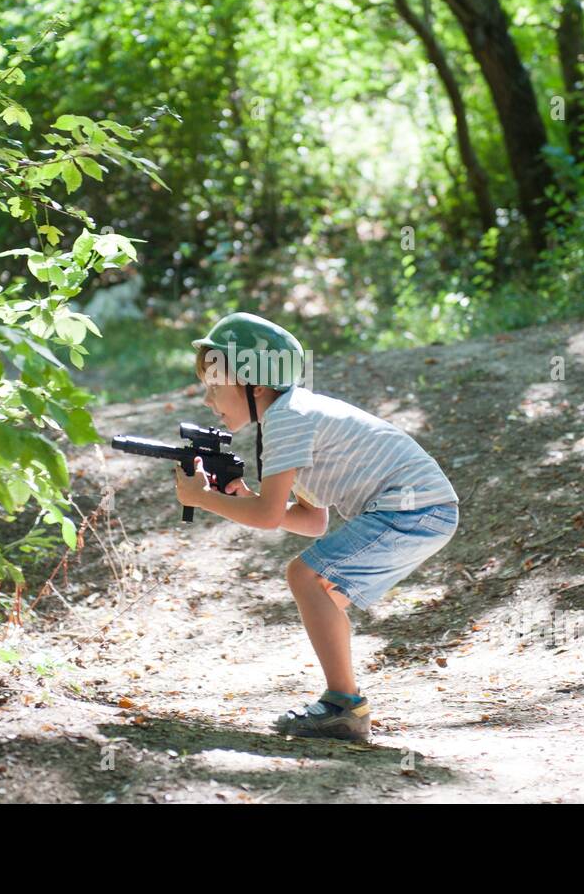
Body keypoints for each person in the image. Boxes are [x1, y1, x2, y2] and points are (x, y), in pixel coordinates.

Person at [173, 312, 459, 741]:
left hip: (412, 508)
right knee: (322, 593)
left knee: (304, 576)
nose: (209, 400)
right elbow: (311, 519)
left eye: (216, 386)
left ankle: (343, 704)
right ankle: (343, 703)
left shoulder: (288, 417)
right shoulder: (291, 417)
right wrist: (245, 498)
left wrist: (202, 499)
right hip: (425, 509)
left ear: (257, 384)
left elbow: (270, 517)